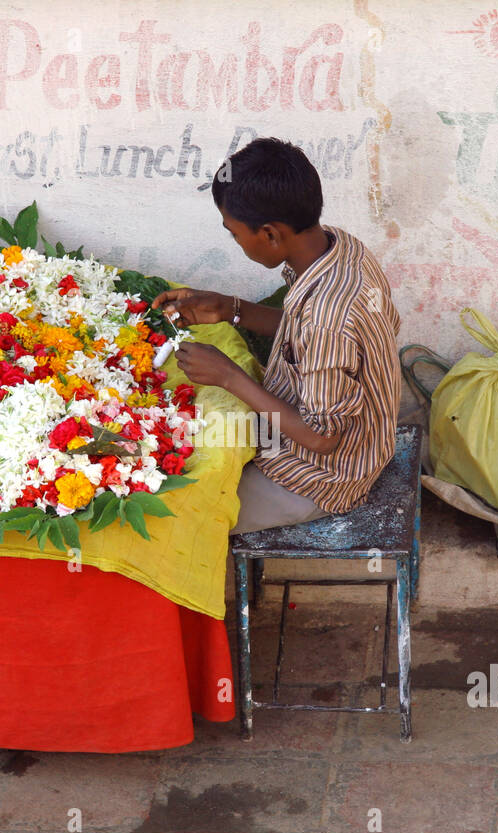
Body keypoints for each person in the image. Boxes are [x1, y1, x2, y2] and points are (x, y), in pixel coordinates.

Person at [152, 136, 402, 535]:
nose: (234, 241)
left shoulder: (328, 317)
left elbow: (320, 438)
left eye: (234, 234)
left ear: (269, 235)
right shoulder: (340, 248)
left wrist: (228, 376)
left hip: (318, 478)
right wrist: (232, 310)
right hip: (339, 439)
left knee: (176, 515)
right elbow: (304, 334)